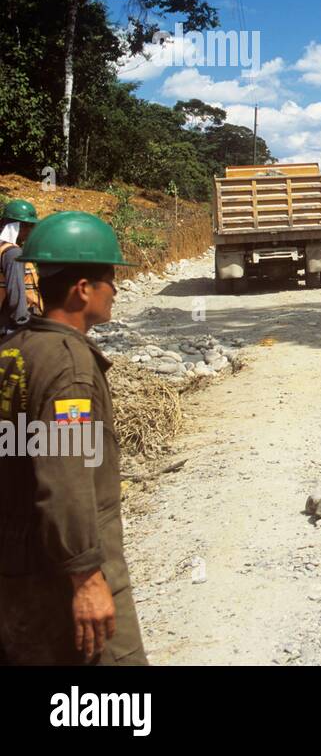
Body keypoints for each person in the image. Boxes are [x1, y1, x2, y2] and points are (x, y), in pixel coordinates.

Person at [0, 211, 147, 665]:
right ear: (84, 289)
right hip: (61, 573)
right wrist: (86, 578)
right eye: (109, 280)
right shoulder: (69, 369)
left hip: (17, 566)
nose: (116, 290)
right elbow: (64, 479)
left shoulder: (14, 351)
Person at [0, 198, 41, 337]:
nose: (30, 231)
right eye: (28, 226)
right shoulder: (13, 253)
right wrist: (23, 323)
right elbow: (16, 294)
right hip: (10, 327)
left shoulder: (2, 248)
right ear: (18, 226)